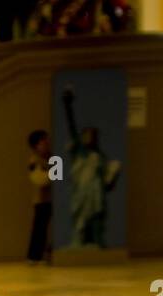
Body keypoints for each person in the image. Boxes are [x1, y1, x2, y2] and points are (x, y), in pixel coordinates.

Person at [62, 86, 121, 247]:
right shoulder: (81, 153)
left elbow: (107, 180)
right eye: (86, 135)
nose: (89, 138)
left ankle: (97, 244)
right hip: (82, 193)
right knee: (81, 223)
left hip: (96, 193)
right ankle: (81, 243)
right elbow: (71, 127)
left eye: (92, 135)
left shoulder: (99, 156)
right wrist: (67, 106)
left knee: (96, 221)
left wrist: (113, 173)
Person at [26, 129, 53, 263]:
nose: (47, 143)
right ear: (36, 145)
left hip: (52, 200)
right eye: (44, 141)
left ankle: (47, 254)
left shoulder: (52, 158)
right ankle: (34, 256)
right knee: (39, 229)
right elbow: (40, 180)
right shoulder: (34, 161)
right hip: (41, 201)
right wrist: (53, 172)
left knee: (49, 229)